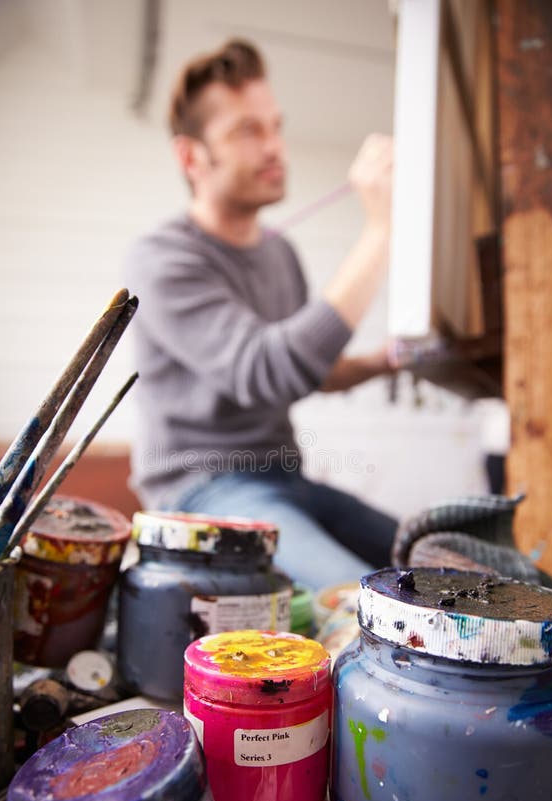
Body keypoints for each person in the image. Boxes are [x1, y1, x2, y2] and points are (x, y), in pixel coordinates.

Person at [125, 39, 398, 591]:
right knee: (373, 609)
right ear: (190, 156)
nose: (275, 147)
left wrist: (389, 361)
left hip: (285, 480)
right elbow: (265, 369)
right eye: (248, 131)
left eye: (276, 126)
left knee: (442, 563)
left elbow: (306, 370)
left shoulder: (279, 253)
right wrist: (382, 230)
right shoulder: (162, 257)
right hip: (201, 493)